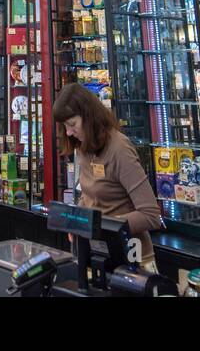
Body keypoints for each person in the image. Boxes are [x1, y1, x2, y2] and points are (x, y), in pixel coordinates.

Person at [53, 82, 163, 274]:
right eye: (65, 126)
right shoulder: (82, 147)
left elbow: (151, 215)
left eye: (72, 125)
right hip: (97, 255)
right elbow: (89, 195)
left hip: (131, 259)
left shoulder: (119, 149)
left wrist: (99, 225)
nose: (69, 132)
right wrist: (78, 218)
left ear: (88, 117)